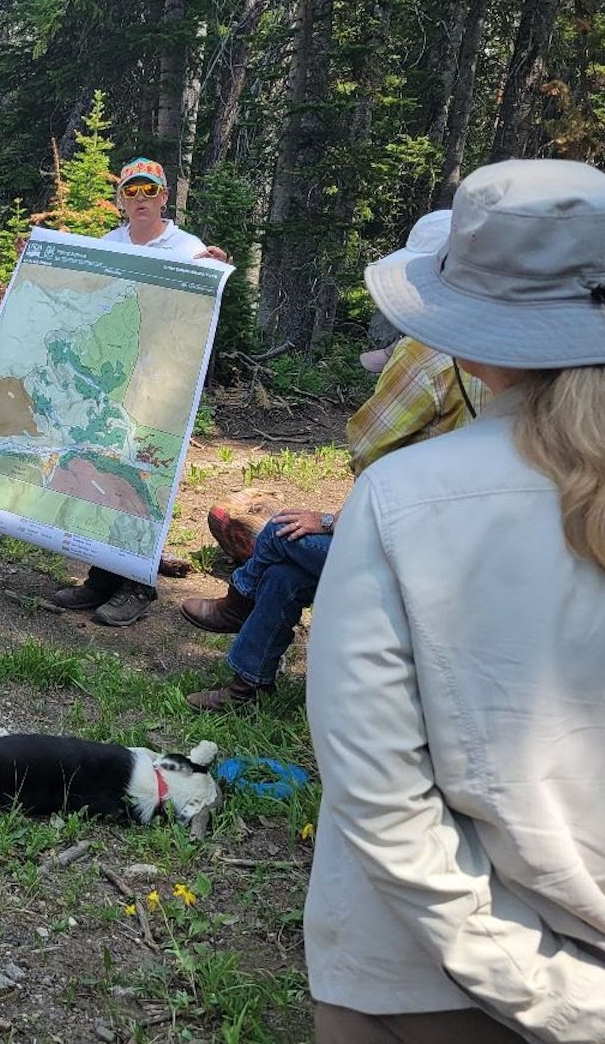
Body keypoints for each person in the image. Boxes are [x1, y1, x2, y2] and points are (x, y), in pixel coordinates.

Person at [305, 159, 605, 1044]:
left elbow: (378, 792)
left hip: (423, 987)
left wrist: (567, 999)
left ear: (472, 334)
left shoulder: (403, 500)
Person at [179, 213, 487, 710]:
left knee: (280, 535)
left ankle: (238, 601)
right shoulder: (489, 348)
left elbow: (370, 444)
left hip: (413, 547)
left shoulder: (426, 351)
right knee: (287, 571)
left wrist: (330, 519)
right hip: (460, 539)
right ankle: (246, 686)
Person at [52, 156, 230, 624]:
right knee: (107, 463)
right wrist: (47, 256)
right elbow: (86, 295)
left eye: (149, 190)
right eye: (131, 191)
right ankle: (103, 577)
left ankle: (138, 584)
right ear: (120, 199)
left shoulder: (187, 247)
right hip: (115, 374)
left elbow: (203, 306)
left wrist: (217, 269)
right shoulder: (110, 244)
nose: (140, 199)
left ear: (165, 197)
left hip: (161, 378)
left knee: (146, 472)